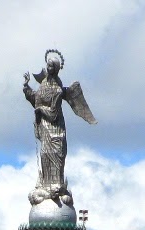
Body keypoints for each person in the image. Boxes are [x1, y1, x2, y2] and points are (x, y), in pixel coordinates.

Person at [22, 50, 96, 206]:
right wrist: (26, 87)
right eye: (47, 65)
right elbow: (36, 99)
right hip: (44, 127)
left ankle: (57, 186)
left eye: (51, 66)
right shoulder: (43, 84)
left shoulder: (57, 89)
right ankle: (46, 184)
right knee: (44, 154)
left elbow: (53, 113)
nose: (48, 68)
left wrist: (41, 110)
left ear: (55, 69)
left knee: (56, 154)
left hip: (55, 127)